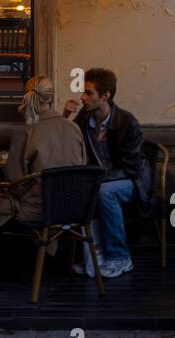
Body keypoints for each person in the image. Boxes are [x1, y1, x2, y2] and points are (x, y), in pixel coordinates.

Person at [63, 67, 153, 278]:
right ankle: (95, 257)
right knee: (84, 190)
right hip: (100, 180)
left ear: (105, 96)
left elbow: (132, 168)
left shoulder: (127, 122)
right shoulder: (85, 118)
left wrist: (97, 179)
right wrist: (66, 115)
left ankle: (120, 257)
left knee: (104, 192)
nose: (83, 97)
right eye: (83, 91)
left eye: (88, 93)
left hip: (133, 181)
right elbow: (68, 141)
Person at [0, 75, 86, 231]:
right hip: (75, 208)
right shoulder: (74, 128)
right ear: (51, 98)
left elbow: (15, 184)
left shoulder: (25, 132)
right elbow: (82, 165)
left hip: (40, 212)